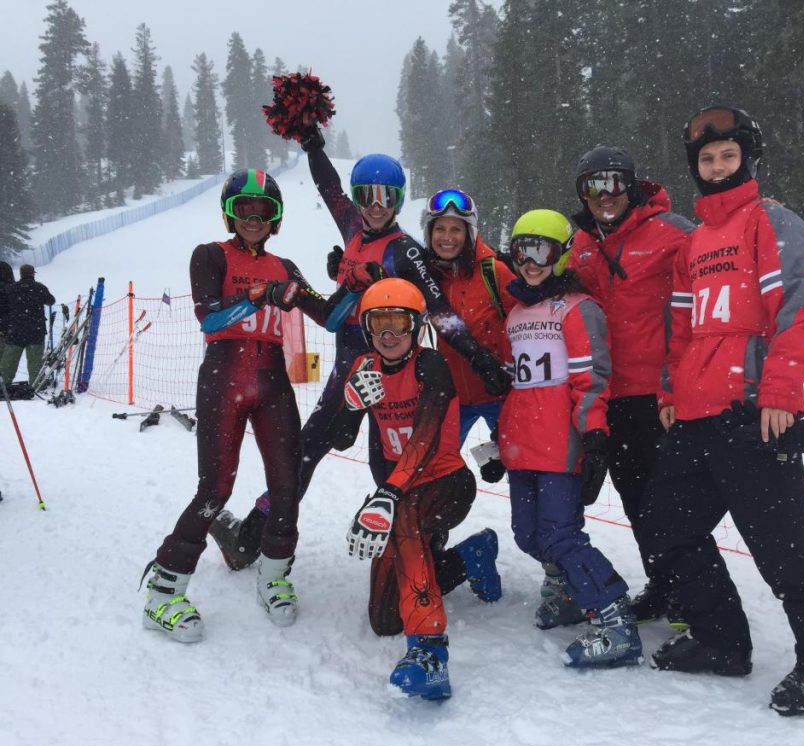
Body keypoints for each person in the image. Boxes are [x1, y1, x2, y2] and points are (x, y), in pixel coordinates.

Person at [641, 106, 804, 715]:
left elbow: (795, 308)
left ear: (746, 159)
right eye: (707, 159)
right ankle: (719, 641)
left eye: (727, 157)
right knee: (666, 527)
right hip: (694, 414)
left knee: (785, 548)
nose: (716, 166)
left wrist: (782, 392)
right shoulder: (693, 243)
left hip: (751, 412)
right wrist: (667, 391)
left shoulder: (772, 222)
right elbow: (679, 326)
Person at [210, 130, 512, 568]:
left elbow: (441, 310)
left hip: (389, 373)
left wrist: (477, 357)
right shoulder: (353, 227)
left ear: (397, 200)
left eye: (385, 197)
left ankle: (425, 545)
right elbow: (328, 189)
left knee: (389, 467)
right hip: (348, 369)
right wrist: (314, 147)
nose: (374, 206)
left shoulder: (406, 250)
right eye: (366, 195)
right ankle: (255, 536)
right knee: (310, 451)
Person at [141, 169, 332, 643]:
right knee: (216, 487)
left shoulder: (285, 265)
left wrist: (353, 280)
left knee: (287, 483)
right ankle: (163, 591)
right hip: (224, 374)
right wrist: (259, 294)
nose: (253, 217)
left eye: (263, 209)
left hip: (271, 376)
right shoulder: (209, 255)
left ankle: (274, 574)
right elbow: (209, 317)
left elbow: (329, 317)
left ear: (276, 218)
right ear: (230, 213)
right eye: (244, 209)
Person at [539, 145, 694, 628]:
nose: (604, 195)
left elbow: (714, 264)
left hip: (661, 395)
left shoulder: (672, 232)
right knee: (636, 502)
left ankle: (693, 599)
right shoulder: (583, 245)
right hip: (612, 397)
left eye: (613, 183)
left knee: (673, 504)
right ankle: (665, 586)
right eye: (592, 186)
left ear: (631, 185)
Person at [335, 277, 501, 700]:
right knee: (384, 617)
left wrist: (387, 495)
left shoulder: (431, 365)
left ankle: (429, 653)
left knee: (405, 523)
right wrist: (349, 404)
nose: (389, 335)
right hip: (401, 489)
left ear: (417, 327)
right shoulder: (364, 368)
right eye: (379, 324)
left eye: (399, 323)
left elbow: (425, 439)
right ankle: (471, 554)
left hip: (445, 482)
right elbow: (340, 437)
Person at [497, 209, 642, 669]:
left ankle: (615, 617)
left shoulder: (580, 308)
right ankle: (565, 592)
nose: (531, 261)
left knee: (560, 534)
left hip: (561, 442)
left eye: (541, 250)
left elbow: (592, 380)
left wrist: (594, 436)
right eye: (522, 251)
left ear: (560, 254)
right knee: (526, 534)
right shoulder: (517, 312)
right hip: (523, 444)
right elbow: (516, 383)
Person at [421, 187, 516, 447]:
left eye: (456, 229)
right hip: (453, 398)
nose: (447, 237)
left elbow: (525, 328)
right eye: (440, 229)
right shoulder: (429, 277)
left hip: (498, 395)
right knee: (437, 468)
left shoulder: (493, 272)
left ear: (469, 233)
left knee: (520, 467)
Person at [0, 264, 55, 387]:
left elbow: (4, 306)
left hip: (15, 330)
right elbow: (51, 301)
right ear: (33, 274)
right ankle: (36, 385)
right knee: (35, 362)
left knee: (9, 361)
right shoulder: (40, 288)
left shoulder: (12, 288)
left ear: (20, 274)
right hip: (36, 331)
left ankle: (4, 384)